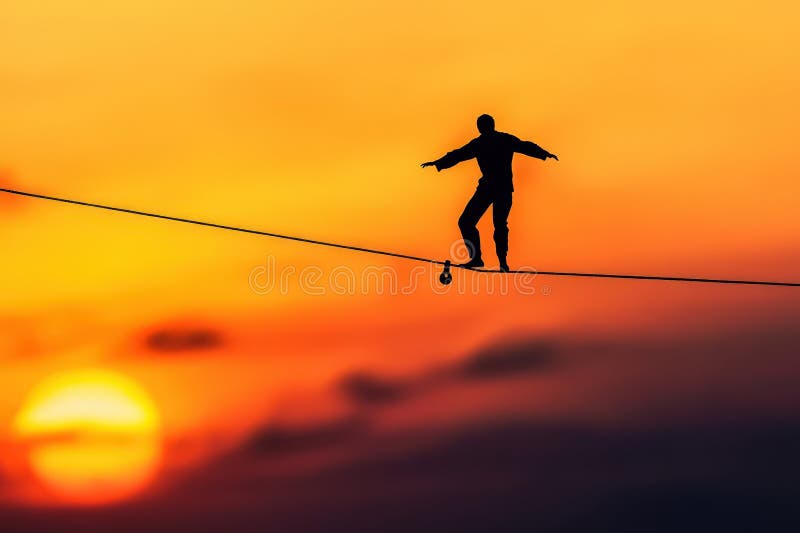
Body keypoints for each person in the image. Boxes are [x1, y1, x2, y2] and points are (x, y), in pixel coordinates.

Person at [421, 114, 558, 271]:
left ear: (481, 127)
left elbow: (525, 146)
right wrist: (438, 163)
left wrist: (543, 153)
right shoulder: (495, 141)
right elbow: (459, 154)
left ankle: (495, 261)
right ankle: (489, 260)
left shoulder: (488, 142)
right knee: (475, 222)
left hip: (498, 189)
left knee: (485, 223)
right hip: (492, 188)